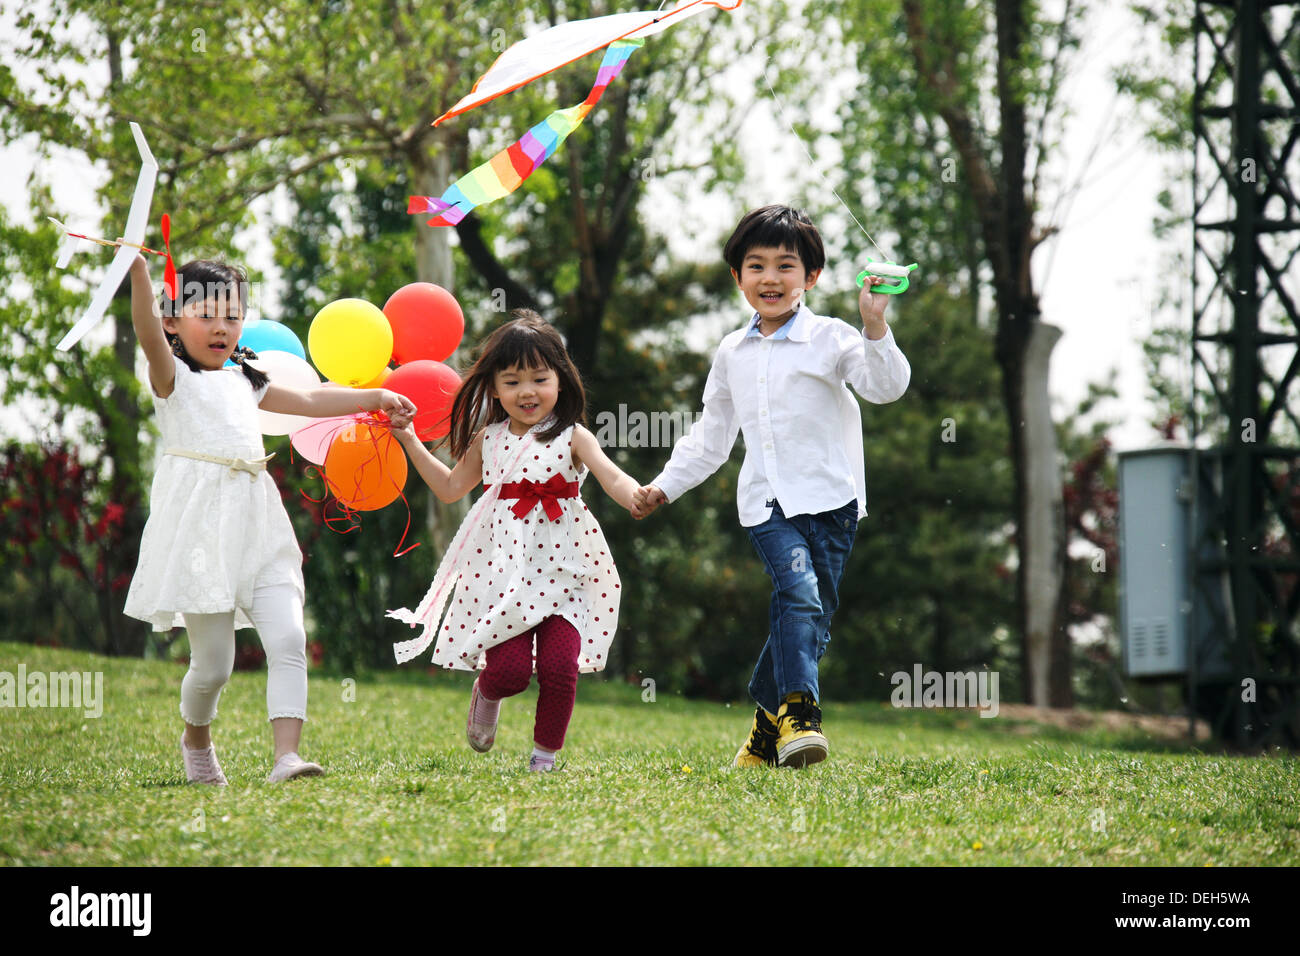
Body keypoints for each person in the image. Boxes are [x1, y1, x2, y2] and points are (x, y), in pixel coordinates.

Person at [633, 204, 911, 768]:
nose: (770, 279)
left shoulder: (832, 338)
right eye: (755, 266)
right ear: (737, 277)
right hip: (768, 506)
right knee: (800, 596)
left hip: (833, 504)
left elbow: (886, 387)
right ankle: (799, 713)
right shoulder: (732, 353)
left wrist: (875, 325)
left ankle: (764, 730)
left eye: (786, 266)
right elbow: (711, 439)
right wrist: (662, 487)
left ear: (811, 277)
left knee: (810, 617)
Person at [122, 255, 416, 785]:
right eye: (206, 313)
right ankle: (196, 737)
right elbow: (144, 331)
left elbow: (308, 397)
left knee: (288, 639)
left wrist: (376, 395)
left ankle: (287, 758)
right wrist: (140, 274)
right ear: (172, 320)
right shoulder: (172, 379)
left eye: (232, 316)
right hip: (202, 536)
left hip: (259, 526)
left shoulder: (244, 377)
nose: (221, 327)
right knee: (213, 667)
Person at [388, 309, 643, 772]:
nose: (527, 391)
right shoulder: (489, 439)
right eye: (511, 381)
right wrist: (409, 441)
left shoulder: (574, 436)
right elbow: (449, 488)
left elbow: (611, 476)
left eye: (539, 379)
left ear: (561, 381)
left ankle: (543, 758)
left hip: (566, 570)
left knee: (560, 670)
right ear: (494, 388)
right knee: (507, 672)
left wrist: (637, 496)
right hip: (505, 572)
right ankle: (486, 693)